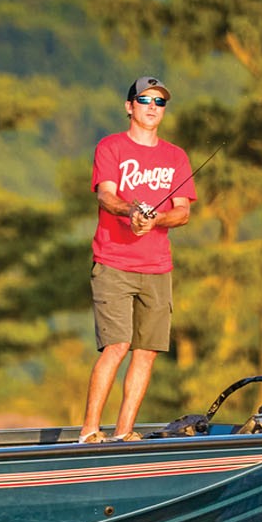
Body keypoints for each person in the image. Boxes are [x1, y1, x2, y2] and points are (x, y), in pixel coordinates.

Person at [80, 76, 198, 442]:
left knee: (146, 352)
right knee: (117, 345)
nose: (152, 107)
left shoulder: (176, 156)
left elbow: (183, 212)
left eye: (159, 102)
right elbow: (106, 196)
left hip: (158, 268)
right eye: (144, 99)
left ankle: (124, 432)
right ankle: (89, 431)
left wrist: (156, 219)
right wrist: (132, 211)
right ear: (129, 106)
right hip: (114, 262)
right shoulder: (111, 147)